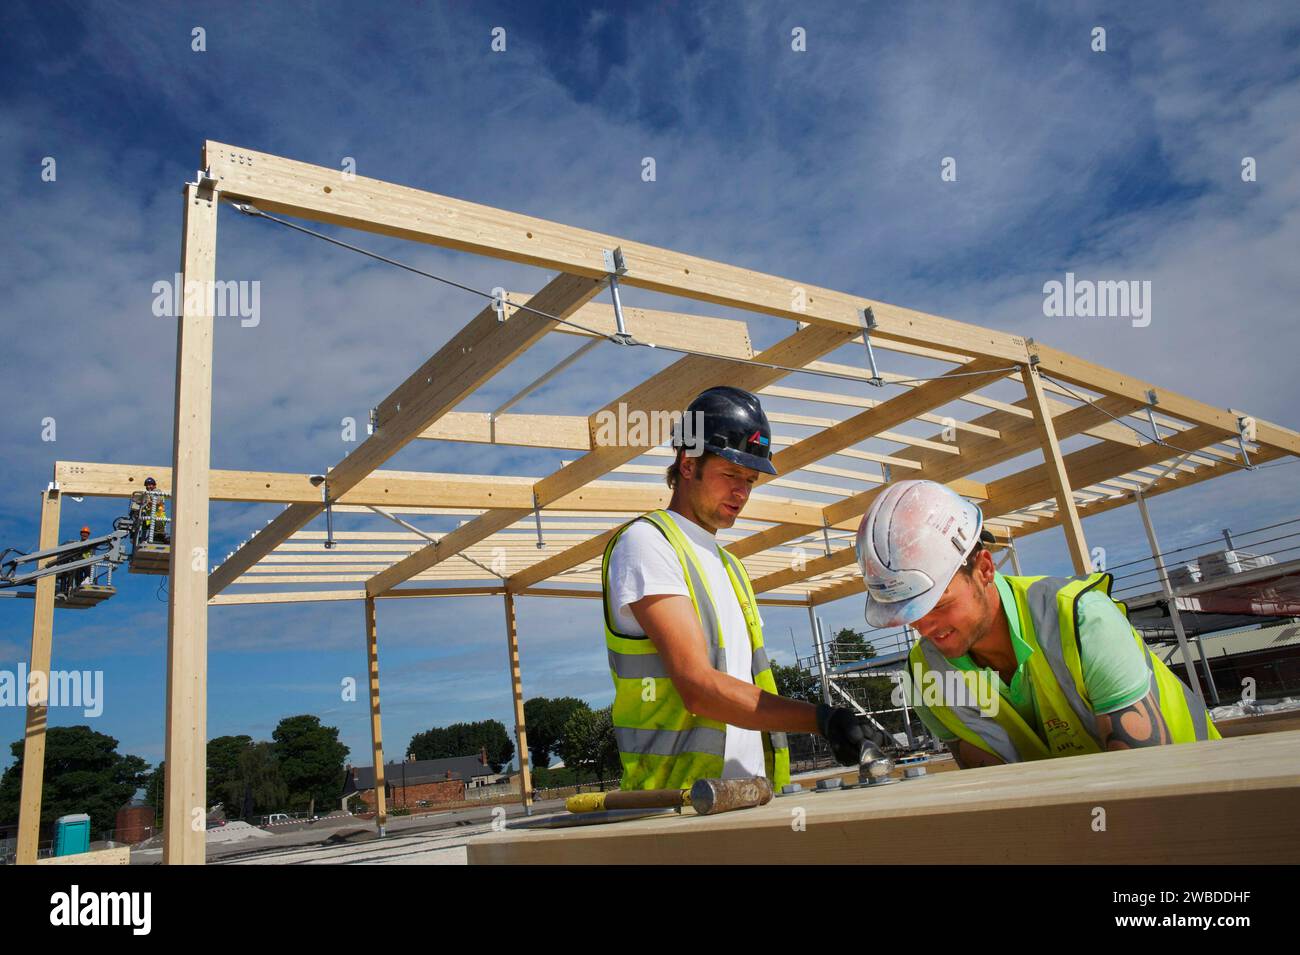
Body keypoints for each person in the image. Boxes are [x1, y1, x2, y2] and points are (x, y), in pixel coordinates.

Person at [601, 385, 883, 791]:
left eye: (750, 480)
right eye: (730, 474)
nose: (741, 492)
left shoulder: (730, 566)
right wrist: (820, 719)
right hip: (675, 805)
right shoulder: (647, 544)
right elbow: (698, 688)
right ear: (687, 463)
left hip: (744, 795)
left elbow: (747, 686)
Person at [856, 479, 1220, 768]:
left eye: (937, 603)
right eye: (908, 613)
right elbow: (1001, 797)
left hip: (1213, 807)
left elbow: (1147, 783)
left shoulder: (1080, 620)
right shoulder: (925, 676)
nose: (923, 625)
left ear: (984, 568)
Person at [141, 476, 169, 544]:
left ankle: (164, 540)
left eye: (150, 485)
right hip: (150, 519)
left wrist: (148, 502)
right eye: (147, 485)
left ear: (154, 485)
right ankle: (142, 539)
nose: (148, 486)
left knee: (158, 535)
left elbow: (158, 502)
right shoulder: (147, 494)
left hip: (158, 518)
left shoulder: (157, 491)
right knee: (141, 525)